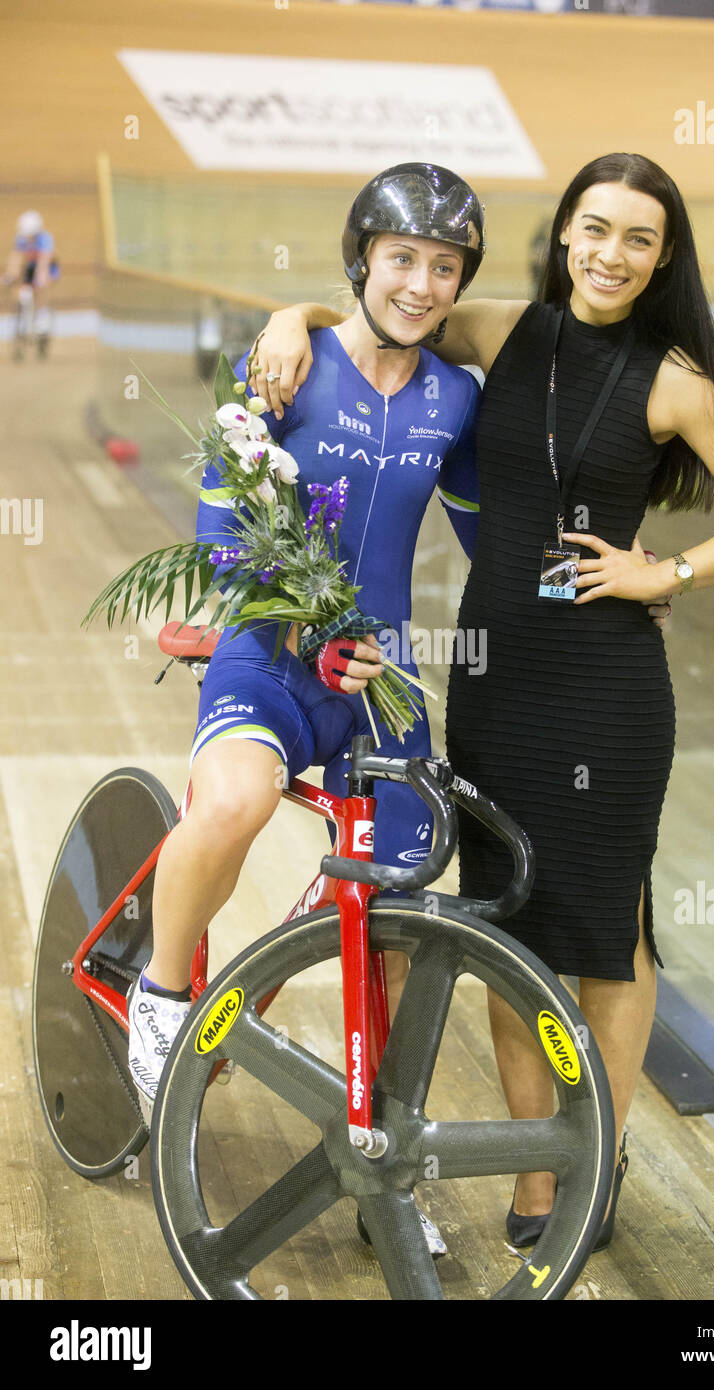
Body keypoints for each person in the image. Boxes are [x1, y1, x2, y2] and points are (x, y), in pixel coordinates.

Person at [246, 151, 714, 1253]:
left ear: (661, 257)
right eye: (592, 230)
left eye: (637, 239)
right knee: (508, 922)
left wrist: (665, 574)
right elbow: (385, 306)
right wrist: (288, 312)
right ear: (562, 235)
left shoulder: (675, 377)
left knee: (605, 931)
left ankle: (591, 1147)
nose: (609, 254)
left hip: (606, 690)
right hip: (496, 684)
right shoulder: (502, 327)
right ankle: (535, 1161)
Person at [126, 163, 490, 1255]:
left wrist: (601, 591)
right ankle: (161, 994)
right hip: (272, 663)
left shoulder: (454, 399)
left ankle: (387, 1158)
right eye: (402, 260)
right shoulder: (288, 362)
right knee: (232, 801)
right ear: (361, 261)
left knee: (401, 926)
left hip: (379, 682)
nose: (422, 285)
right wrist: (290, 625)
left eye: (444, 267)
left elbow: (494, 543)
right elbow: (221, 526)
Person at [1, 210, 61, 349]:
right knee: (20, 286)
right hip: (30, 266)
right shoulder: (20, 238)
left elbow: (44, 260)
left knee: (41, 286)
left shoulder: (45, 239)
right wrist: (10, 275)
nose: (28, 238)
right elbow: (16, 257)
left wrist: (41, 278)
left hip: (47, 265)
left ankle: (42, 316)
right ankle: (23, 318)